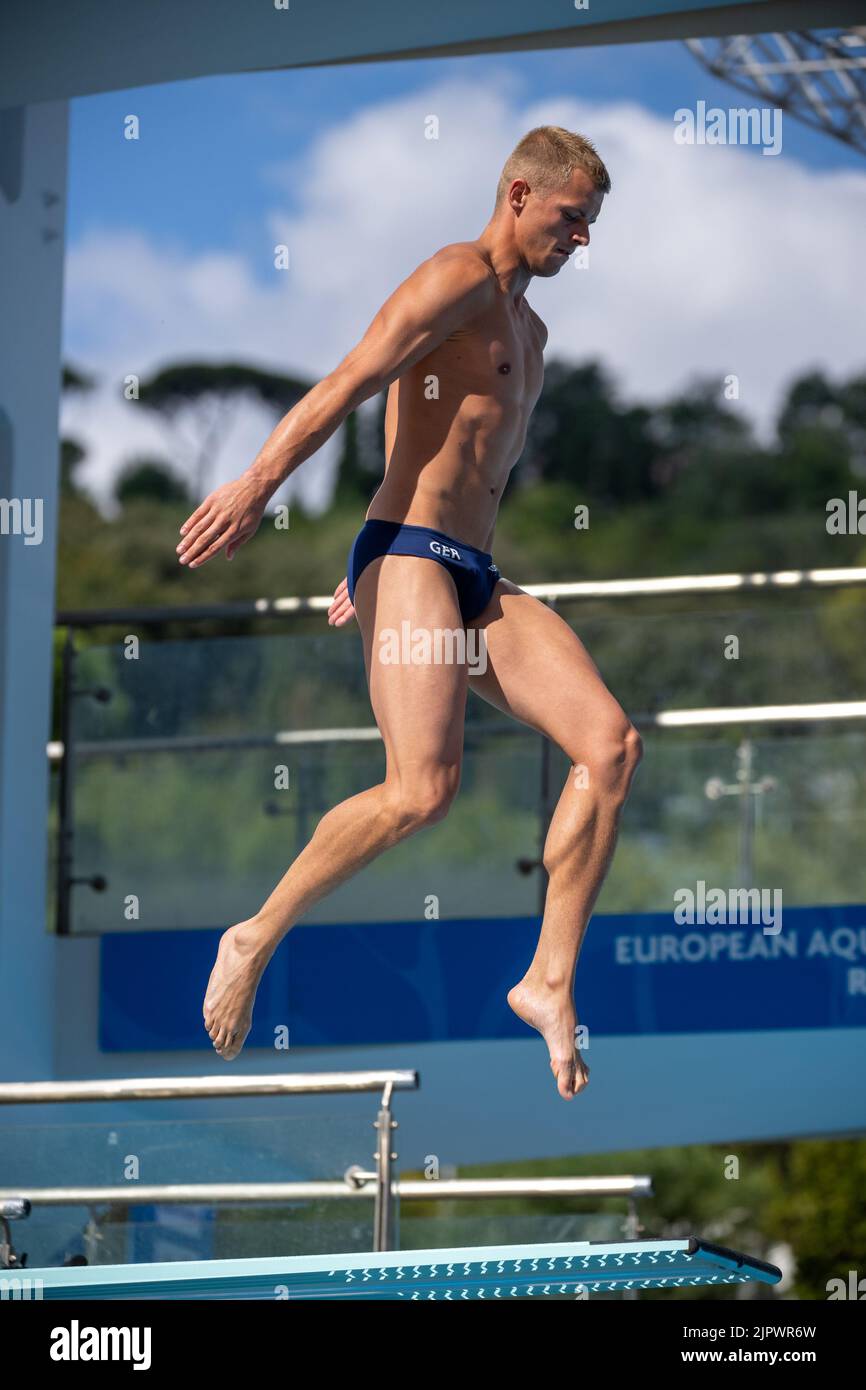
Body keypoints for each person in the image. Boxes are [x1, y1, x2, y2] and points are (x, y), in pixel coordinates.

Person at [177, 125, 642, 1098]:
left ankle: (547, 980)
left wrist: (399, 564)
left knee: (607, 745)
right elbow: (355, 381)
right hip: (411, 555)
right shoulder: (453, 277)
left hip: (465, 568)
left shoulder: (531, 331)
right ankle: (252, 933)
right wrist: (265, 486)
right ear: (518, 195)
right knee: (421, 790)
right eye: (570, 219)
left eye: (590, 227)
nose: (580, 241)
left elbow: (459, 456)